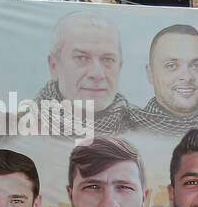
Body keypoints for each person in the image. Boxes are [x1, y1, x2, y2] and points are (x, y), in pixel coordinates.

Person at [34, 11, 136, 139]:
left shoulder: (147, 130)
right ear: (54, 66)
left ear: (119, 67)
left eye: (108, 59)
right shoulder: (17, 131)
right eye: (82, 58)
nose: (97, 74)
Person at [132, 24, 198, 134]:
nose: (187, 77)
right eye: (171, 66)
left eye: (197, 66)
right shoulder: (124, 130)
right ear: (150, 74)